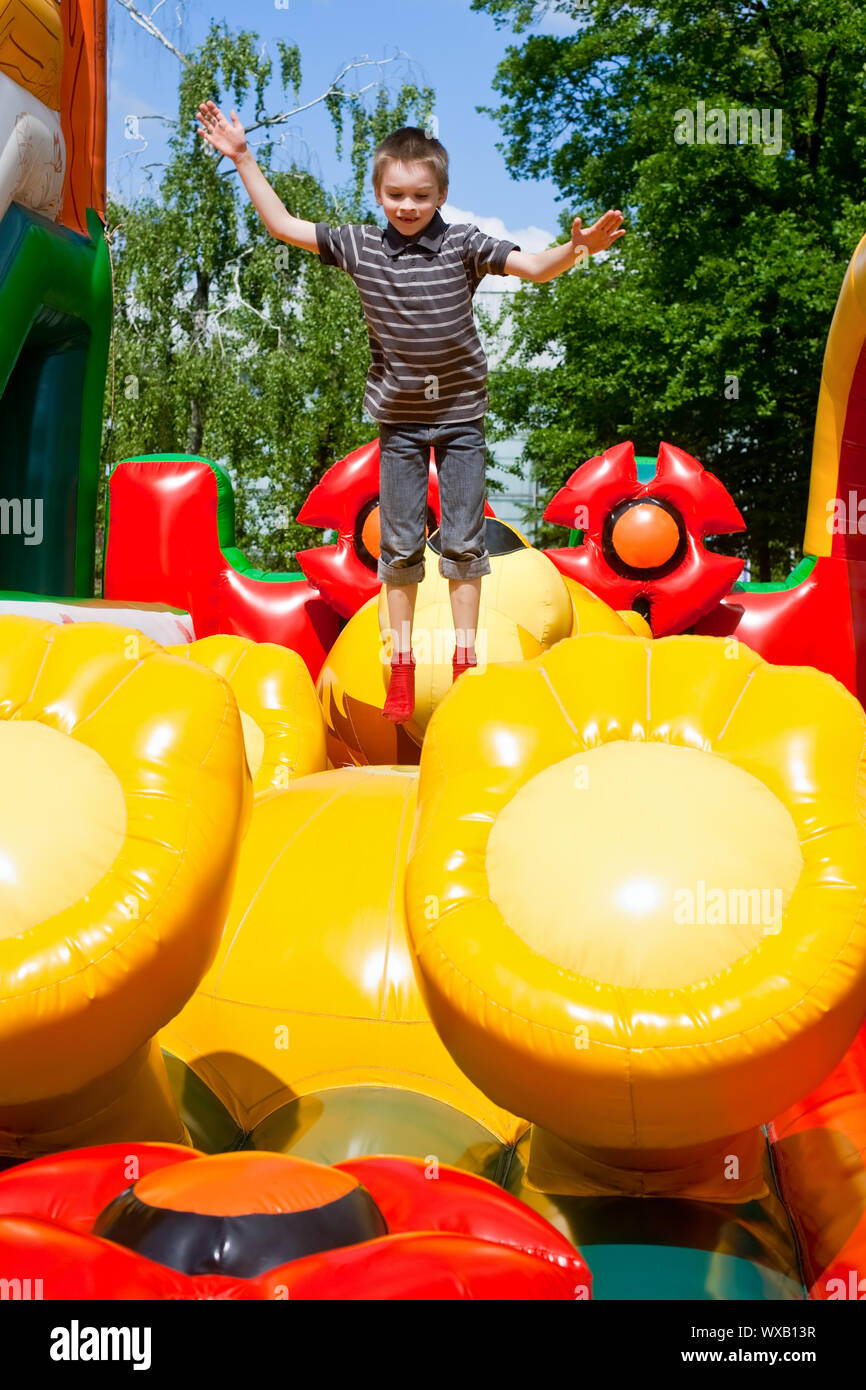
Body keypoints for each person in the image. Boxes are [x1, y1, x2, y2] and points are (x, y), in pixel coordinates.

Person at [196, 104, 625, 721]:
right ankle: (400, 660)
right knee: (397, 548)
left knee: (463, 542)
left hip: (460, 419)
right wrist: (242, 157)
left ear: (442, 193)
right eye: (395, 193)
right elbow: (284, 224)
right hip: (397, 420)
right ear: (377, 192)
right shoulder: (360, 245)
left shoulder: (462, 244)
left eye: (420, 195)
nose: (406, 205)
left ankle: (464, 658)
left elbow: (533, 268)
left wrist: (575, 250)